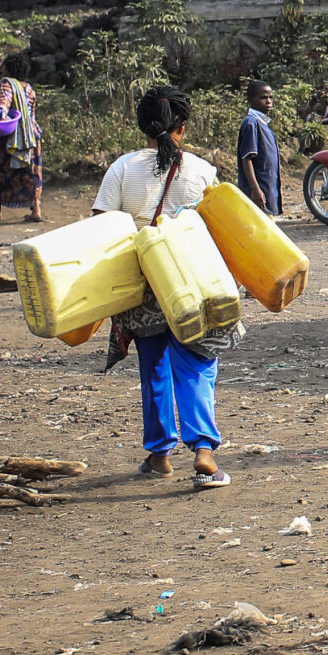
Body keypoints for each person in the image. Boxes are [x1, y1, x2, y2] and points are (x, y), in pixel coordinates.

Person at [95, 85, 233, 489]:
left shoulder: (121, 169)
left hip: (142, 282)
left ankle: (159, 455)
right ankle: (204, 450)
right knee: (196, 363)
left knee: (153, 367)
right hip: (192, 278)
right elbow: (221, 226)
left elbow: (100, 226)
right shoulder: (203, 171)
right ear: (182, 128)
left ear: (143, 127)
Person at [0, 51, 44, 225]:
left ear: (8, 68)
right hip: (31, 135)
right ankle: (36, 209)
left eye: (3, 65)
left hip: (11, 135)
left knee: (0, 172)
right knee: (32, 172)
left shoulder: (6, 84)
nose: (0, 69)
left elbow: (4, 103)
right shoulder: (28, 87)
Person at [235, 80, 282, 215]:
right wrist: (255, 189)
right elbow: (247, 158)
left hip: (268, 192)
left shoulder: (263, 124)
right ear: (251, 99)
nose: (268, 101)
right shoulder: (251, 123)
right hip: (258, 195)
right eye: (263, 97)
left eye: (270, 97)